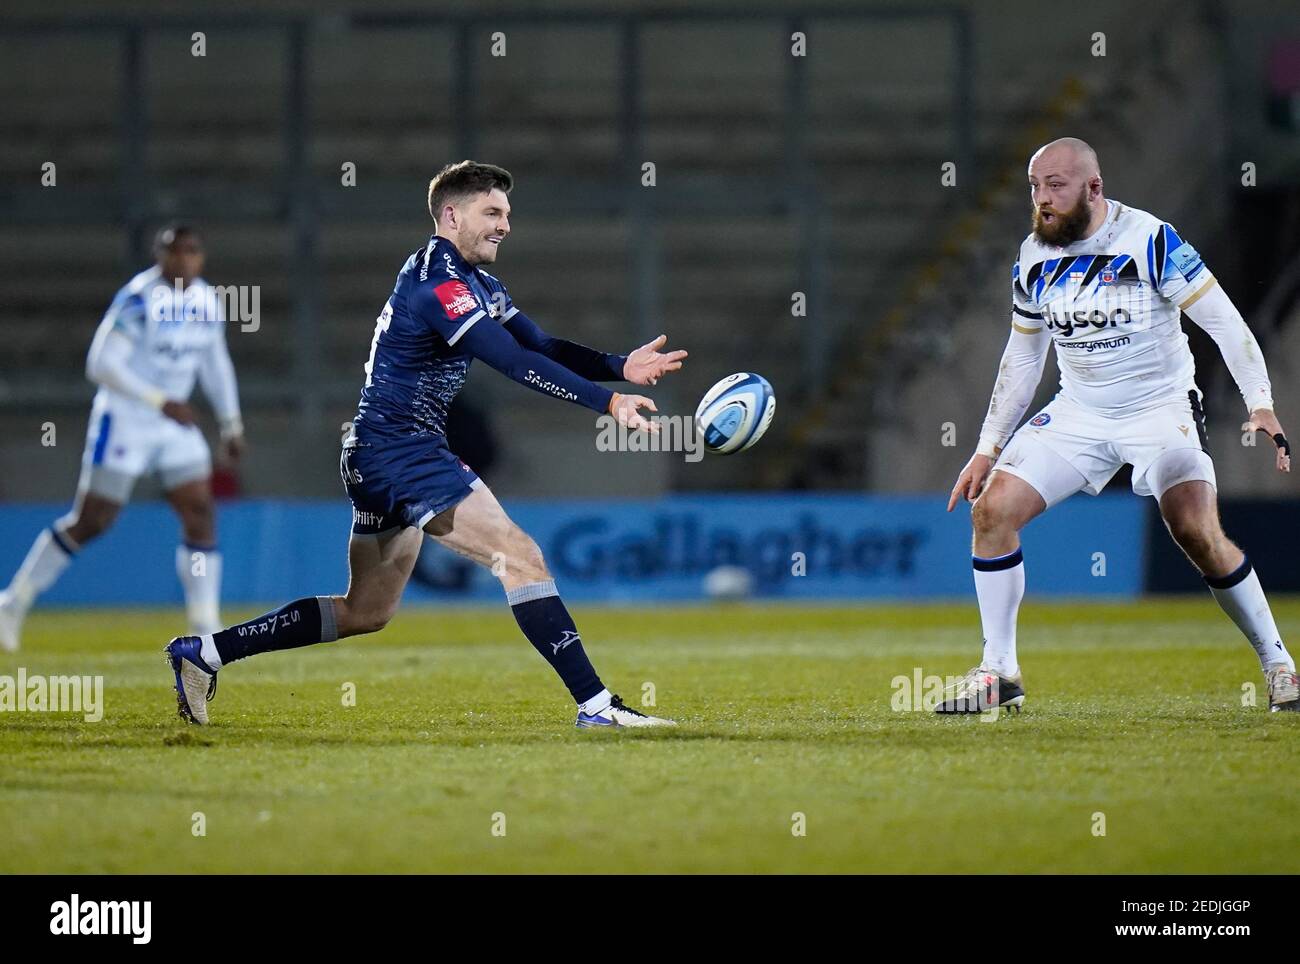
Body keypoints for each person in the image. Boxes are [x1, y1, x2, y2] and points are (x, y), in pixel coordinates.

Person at [164, 161, 687, 728]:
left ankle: (204, 653)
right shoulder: (437, 281)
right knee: (520, 556)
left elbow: (540, 344)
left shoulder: (478, 283)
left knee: (366, 611)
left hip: (377, 452)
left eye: (508, 214)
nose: (505, 225)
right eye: (493, 212)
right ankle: (597, 706)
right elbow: (511, 361)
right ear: (451, 214)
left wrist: (619, 367)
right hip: (400, 450)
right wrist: (607, 404)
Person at [943, 137, 1296, 714]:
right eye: (1035, 187)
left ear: (1094, 188)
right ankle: (999, 673)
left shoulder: (1150, 240)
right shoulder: (1033, 255)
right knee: (992, 512)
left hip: (1160, 409)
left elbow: (1224, 322)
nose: (1043, 199)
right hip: (1080, 411)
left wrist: (1259, 400)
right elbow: (1024, 359)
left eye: (1055, 185)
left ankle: (1279, 664)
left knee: (1195, 532)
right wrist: (987, 448)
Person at [0, 224, 243, 651]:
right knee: (93, 520)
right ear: (159, 256)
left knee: (200, 512)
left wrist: (231, 422)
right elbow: (100, 364)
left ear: (201, 257)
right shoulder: (139, 299)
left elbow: (215, 363)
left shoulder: (207, 299)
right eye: (175, 251)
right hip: (127, 418)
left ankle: (205, 621)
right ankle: (12, 602)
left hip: (173, 424)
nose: (184, 258)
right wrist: (159, 401)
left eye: (191, 251)